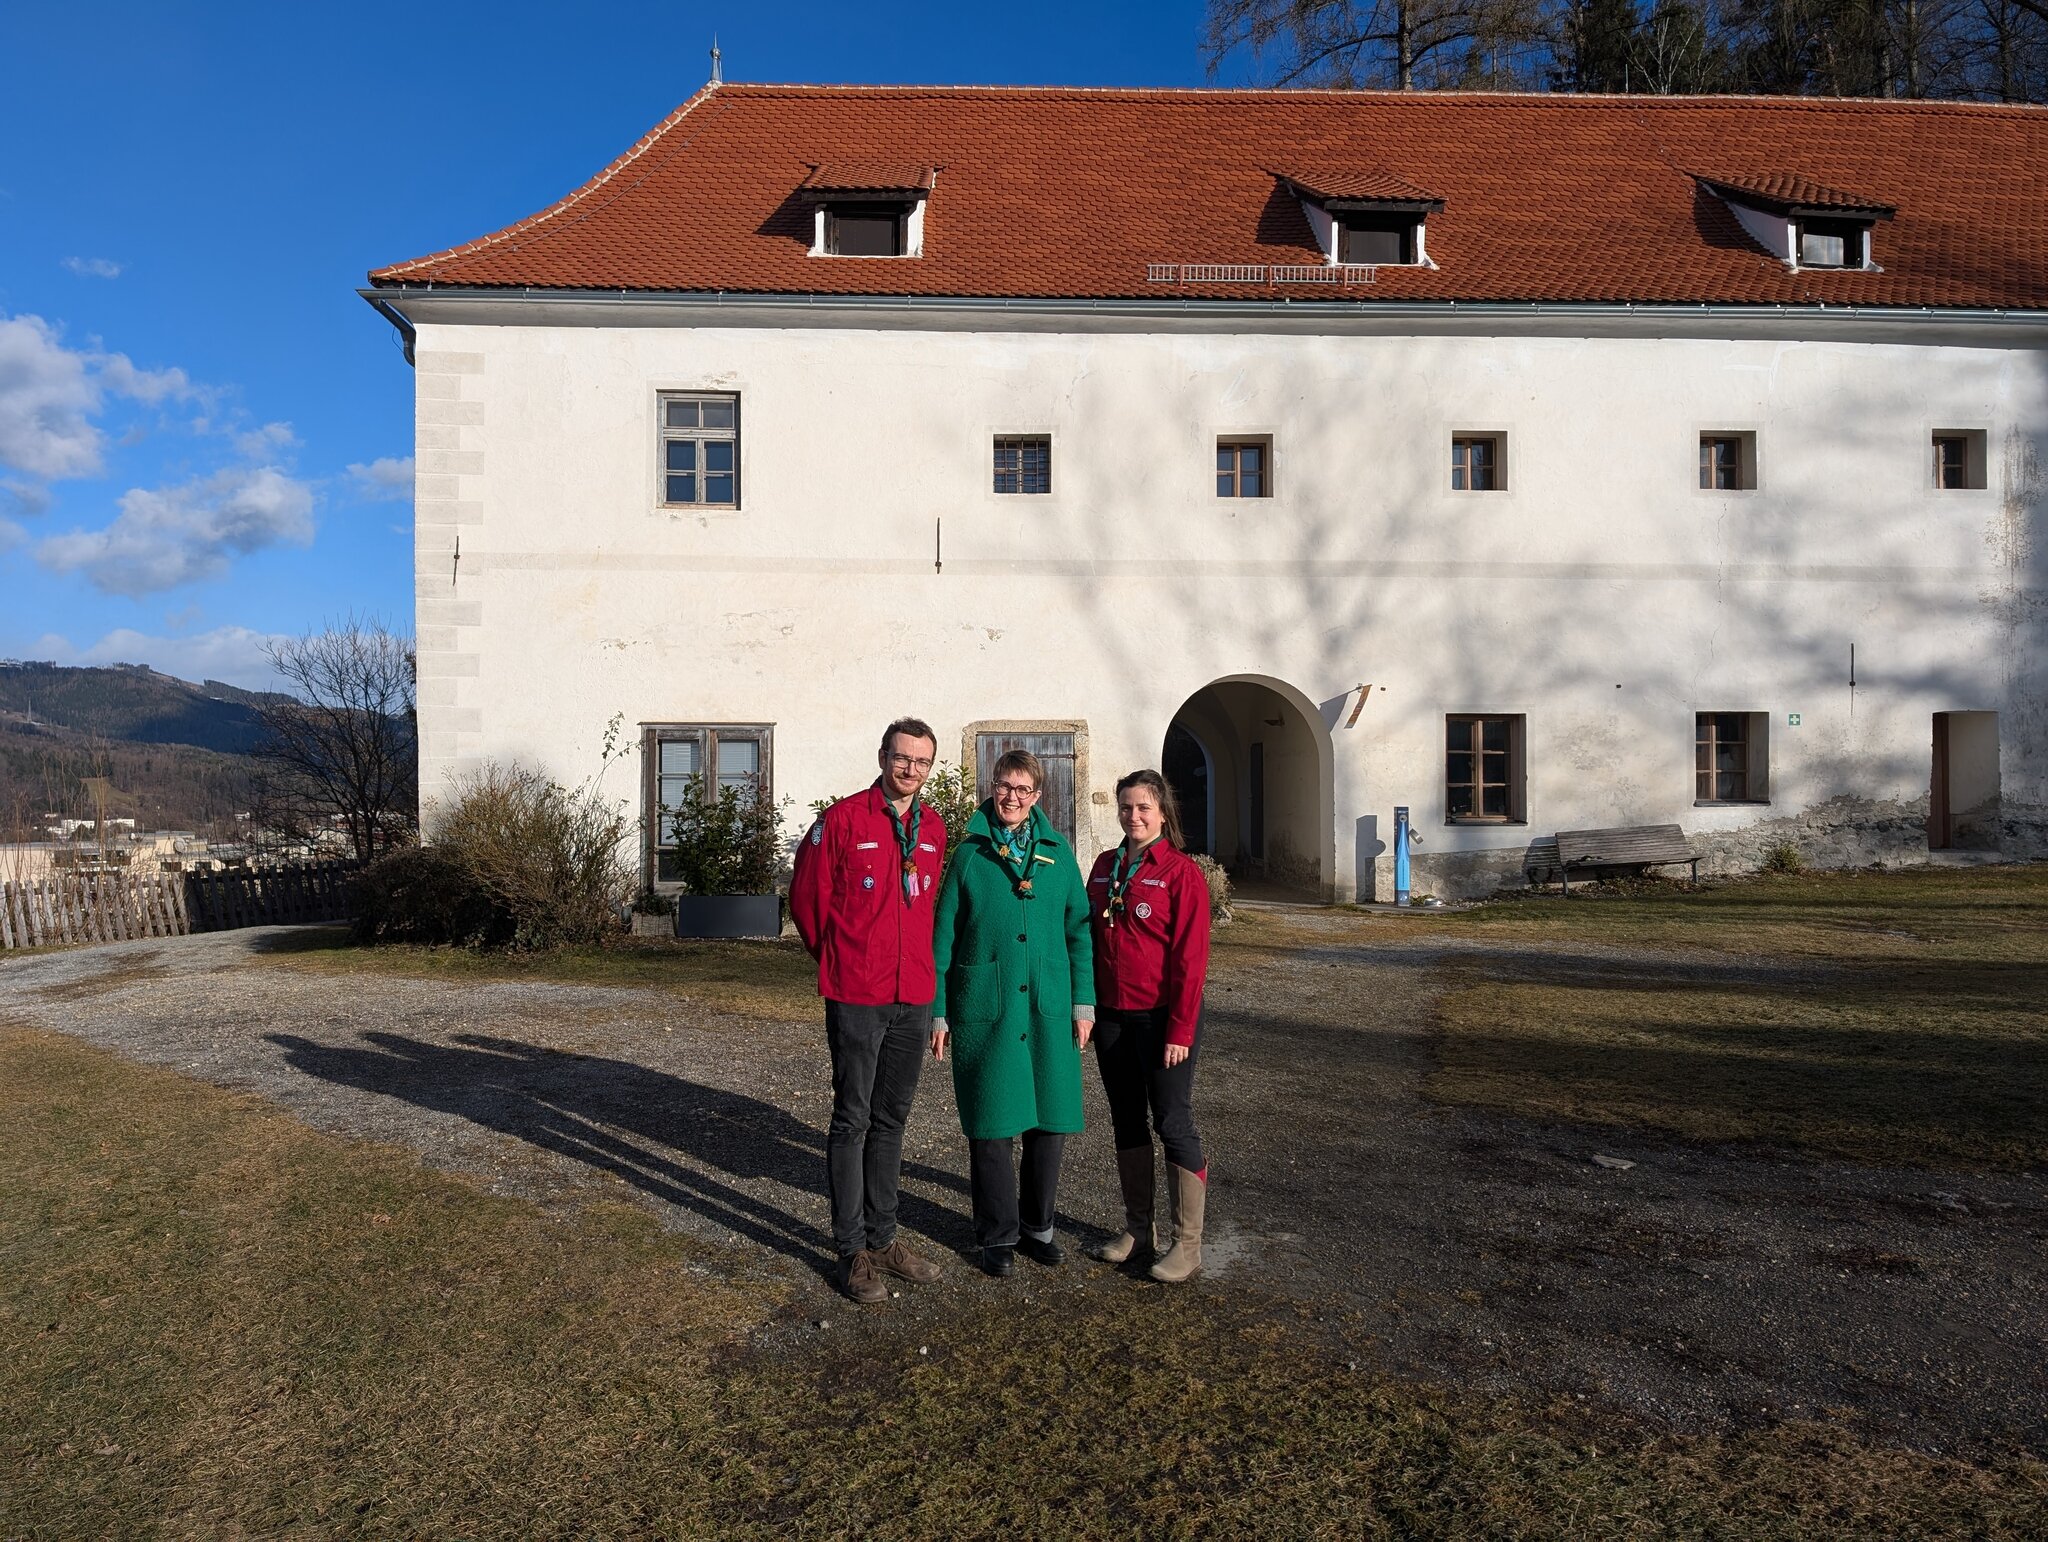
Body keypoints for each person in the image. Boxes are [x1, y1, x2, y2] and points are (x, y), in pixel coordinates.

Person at [789, 718, 950, 1305]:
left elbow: (925, 905)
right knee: (852, 1119)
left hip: (913, 994)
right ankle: (851, 1249)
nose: (910, 769)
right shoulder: (842, 820)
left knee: (891, 1120)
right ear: (883, 756)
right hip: (858, 993)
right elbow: (807, 899)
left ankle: (884, 1239)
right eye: (902, 758)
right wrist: (839, 956)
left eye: (922, 762)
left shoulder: (933, 827)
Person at [929, 749, 1095, 1277]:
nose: (1012, 797)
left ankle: (1038, 1227)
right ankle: (997, 1234)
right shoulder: (970, 855)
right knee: (992, 1121)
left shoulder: (1058, 854)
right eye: (1004, 786)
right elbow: (943, 936)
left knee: (1048, 1121)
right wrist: (939, 1011)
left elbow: (1079, 932)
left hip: (1047, 1007)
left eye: (1023, 789)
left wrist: (1083, 1002)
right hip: (988, 1005)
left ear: (1037, 796)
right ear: (992, 787)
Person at [1085, 768, 1213, 1283]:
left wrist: (1180, 1029)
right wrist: (1085, 1008)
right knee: (1126, 1119)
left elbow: (1191, 960)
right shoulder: (1103, 867)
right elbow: (1087, 940)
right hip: (1113, 1017)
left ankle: (1188, 1244)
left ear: (1162, 813)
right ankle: (1139, 1229)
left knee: (1172, 1122)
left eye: (1143, 807)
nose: (1133, 816)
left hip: (1162, 1019)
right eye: (1125, 807)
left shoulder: (1181, 873)